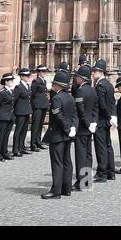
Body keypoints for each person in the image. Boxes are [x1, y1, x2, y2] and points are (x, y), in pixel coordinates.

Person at [42, 70, 77, 199]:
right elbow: (74, 115)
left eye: (54, 84)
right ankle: (66, 188)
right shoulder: (70, 97)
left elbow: (58, 116)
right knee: (67, 160)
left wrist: (68, 128)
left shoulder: (57, 98)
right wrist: (72, 128)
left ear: (58, 85)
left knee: (57, 162)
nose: (53, 86)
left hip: (58, 134)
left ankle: (56, 190)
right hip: (67, 134)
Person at [73, 64, 97, 190]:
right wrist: (93, 122)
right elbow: (95, 108)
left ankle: (81, 181)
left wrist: (88, 123)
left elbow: (80, 110)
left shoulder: (80, 91)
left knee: (81, 155)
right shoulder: (92, 90)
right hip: (90, 126)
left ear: (82, 78)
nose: (76, 79)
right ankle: (87, 181)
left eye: (77, 77)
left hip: (82, 127)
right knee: (88, 154)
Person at [92, 60, 116, 182]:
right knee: (108, 146)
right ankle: (111, 171)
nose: (93, 73)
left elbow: (101, 104)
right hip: (106, 120)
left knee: (101, 147)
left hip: (101, 120)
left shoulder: (100, 85)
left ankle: (102, 173)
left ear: (101, 72)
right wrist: (112, 116)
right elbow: (112, 102)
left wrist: (108, 116)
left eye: (95, 71)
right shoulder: (109, 84)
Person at [11, 68, 33, 156]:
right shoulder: (18, 87)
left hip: (26, 111)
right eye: (27, 76)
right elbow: (14, 99)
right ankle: (15, 149)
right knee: (18, 130)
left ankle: (21, 146)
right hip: (20, 112)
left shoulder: (27, 86)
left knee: (24, 130)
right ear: (22, 77)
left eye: (29, 76)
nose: (28, 77)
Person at [0, 73, 15, 161]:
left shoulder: (10, 91)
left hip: (9, 117)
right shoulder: (2, 92)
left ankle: (4, 152)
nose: (12, 82)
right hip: (3, 117)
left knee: (6, 136)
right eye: (10, 80)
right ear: (6, 82)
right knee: (1, 136)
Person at [29, 65, 50, 151]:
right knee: (36, 125)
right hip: (37, 106)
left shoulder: (43, 81)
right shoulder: (36, 81)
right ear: (38, 72)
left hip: (43, 105)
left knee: (40, 125)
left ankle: (38, 142)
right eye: (42, 71)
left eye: (44, 71)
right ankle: (33, 144)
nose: (44, 73)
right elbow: (32, 94)